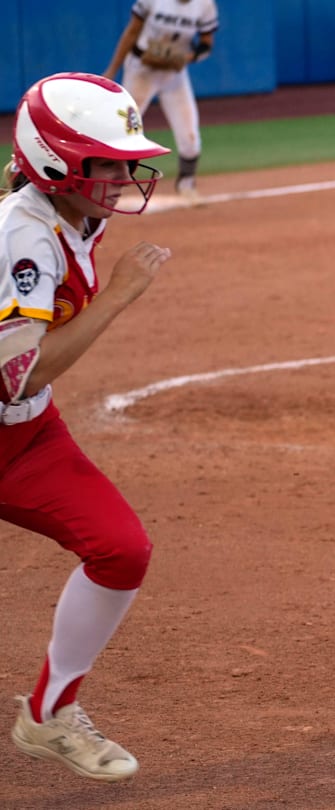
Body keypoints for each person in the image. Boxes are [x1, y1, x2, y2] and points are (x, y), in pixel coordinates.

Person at [4, 72, 174, 782]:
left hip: (24, 435)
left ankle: (48, 714)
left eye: (124, 160)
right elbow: (21, 372)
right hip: (19, 404)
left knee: (120, 549)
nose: (124, 174)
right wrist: (122, 296)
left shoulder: (74, 215)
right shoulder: (22, 235)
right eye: (104, 161)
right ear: (54, 166)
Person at [103, 0, 219, 201]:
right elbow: (131, 32)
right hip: (141, 71)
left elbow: (206, 45)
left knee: (190, 134)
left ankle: (186, 184)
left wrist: (186, 57)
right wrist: (112, 69)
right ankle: (103, 180)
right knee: (122, 128)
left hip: (174, 75)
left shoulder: (204, 4)